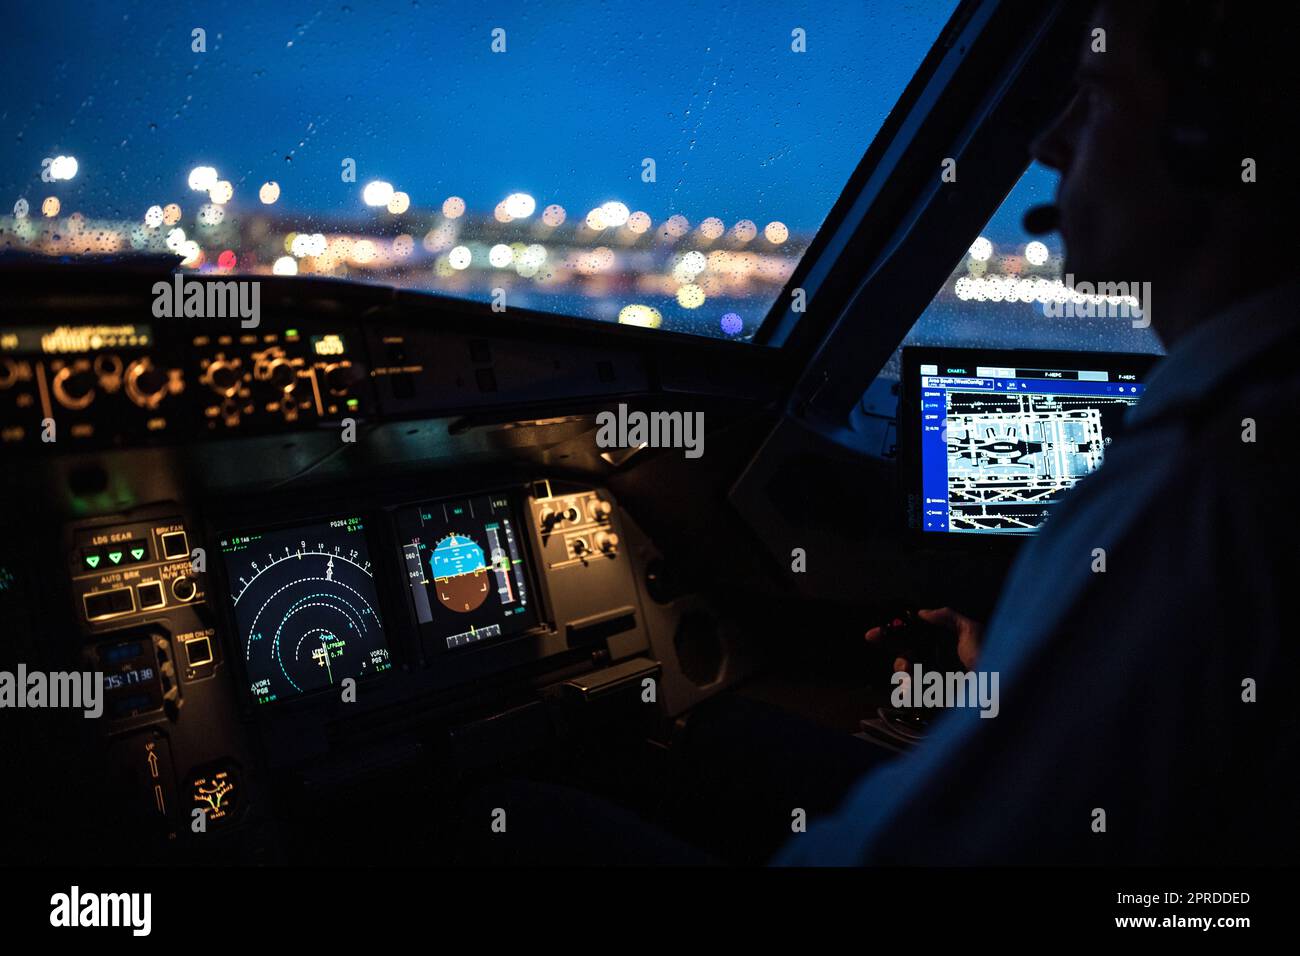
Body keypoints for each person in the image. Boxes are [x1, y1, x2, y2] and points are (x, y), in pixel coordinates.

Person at [776, 0, 1300, 865]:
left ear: (1211, 141)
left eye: (1094, 96)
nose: (1049, 144)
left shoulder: (1203, 476)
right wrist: (1014, 665)